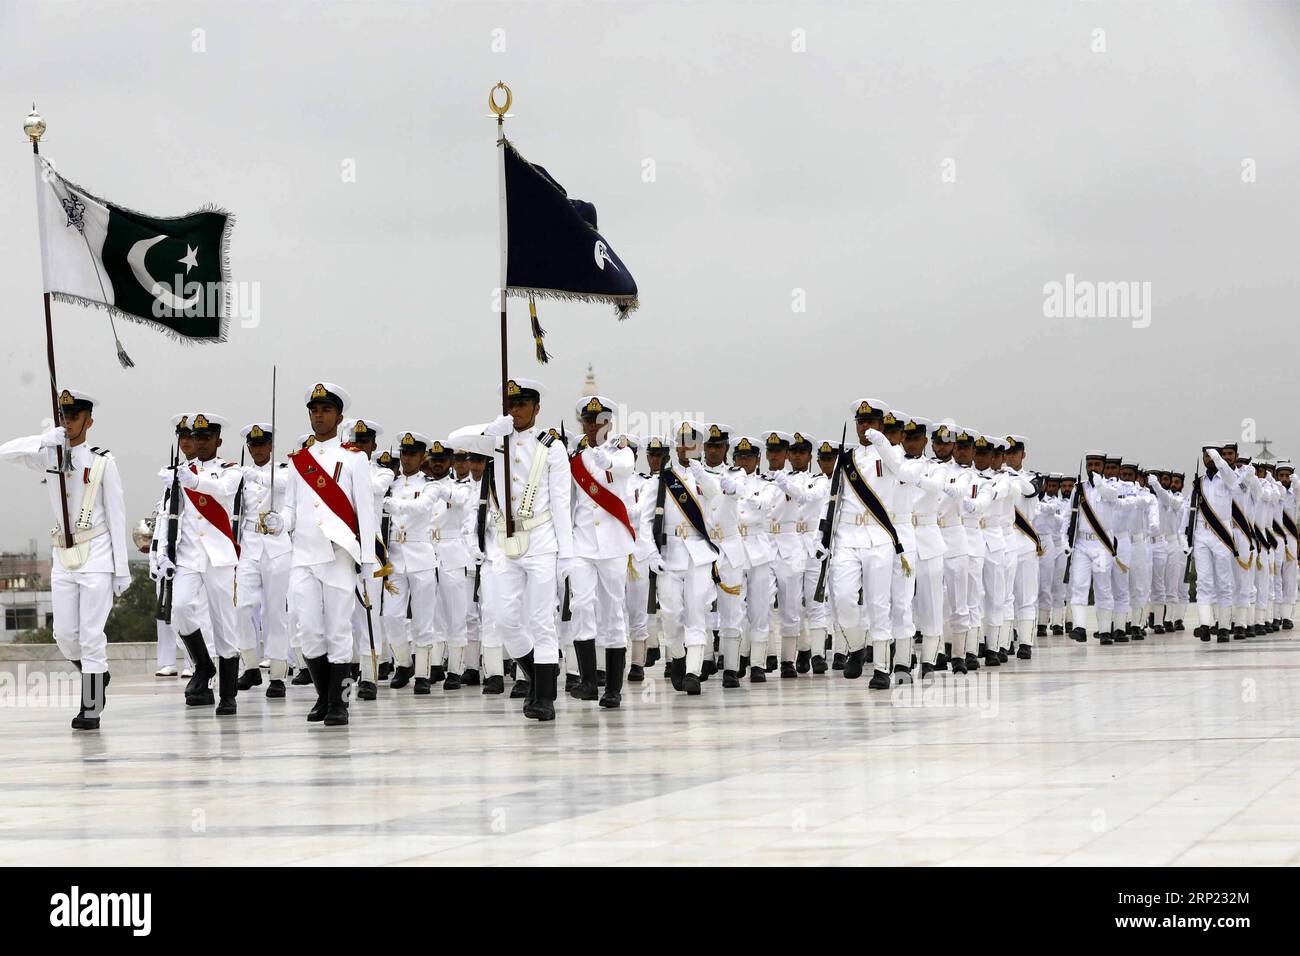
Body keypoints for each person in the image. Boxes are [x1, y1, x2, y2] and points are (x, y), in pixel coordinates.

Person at [0, 388, 128, 730]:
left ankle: (91, 707)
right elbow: (5, 452)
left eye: (73, 417)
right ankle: (96, 674)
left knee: (89, 634)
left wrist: (121, 569)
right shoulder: (49, 456)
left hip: (97, 555)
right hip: (63, 555)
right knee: (64, 635)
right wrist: (43, 440)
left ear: (89, 420)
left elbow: (116, 515)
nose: (68, 423)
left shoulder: (102, 462)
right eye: (63, 417)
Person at [261, 382, 378, 725]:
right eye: (314, 410)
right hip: (304, 555)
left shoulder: (353, 459)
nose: (319, 415)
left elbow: (366, 513)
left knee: (338, 629)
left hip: (339, 554)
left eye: (326, 410)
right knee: (307, 631)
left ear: (339, 416)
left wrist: (368, 561)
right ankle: (322, 696)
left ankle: (339, 703)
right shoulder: (299, 462)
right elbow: (291, 512)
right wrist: (277, 521)